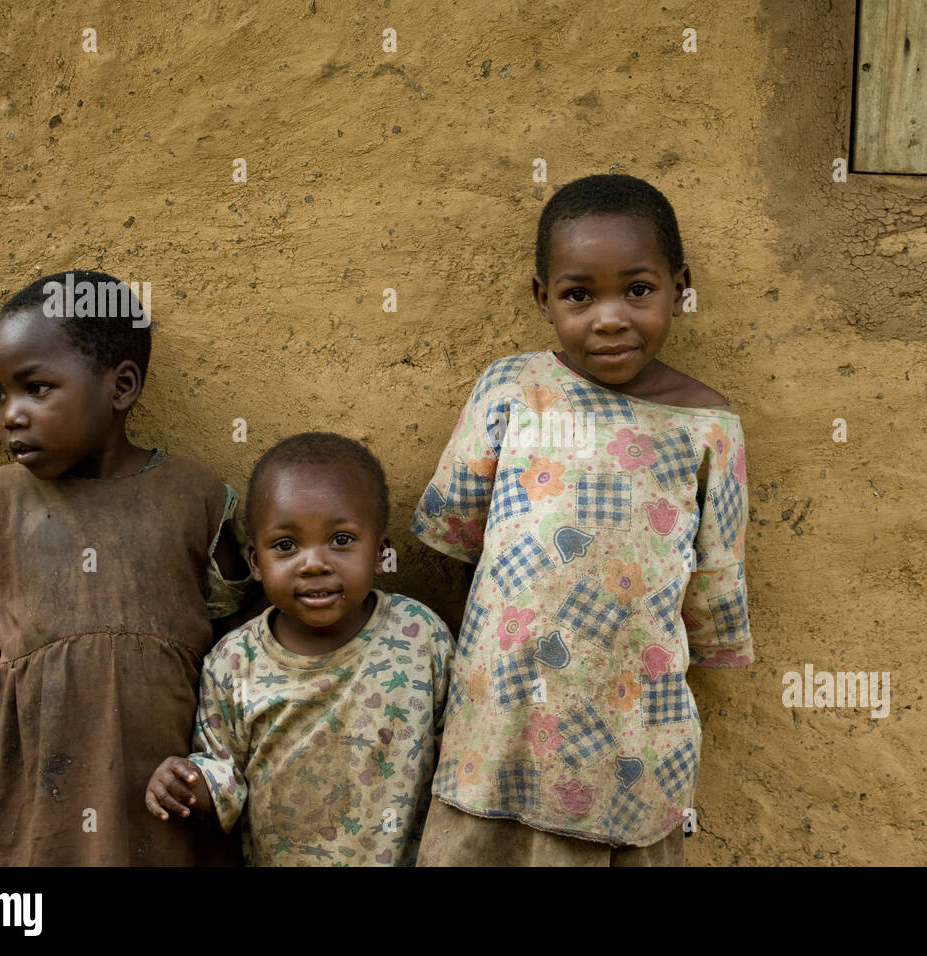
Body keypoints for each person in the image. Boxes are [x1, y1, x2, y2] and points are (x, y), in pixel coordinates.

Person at [410, 174, 753, 865]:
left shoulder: (707, 428)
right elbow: (461, 530)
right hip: (500, 729)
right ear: (543, 298)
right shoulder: (511, 389)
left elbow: (713, 587)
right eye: (578, 294)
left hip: (631, 744)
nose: (609, 317)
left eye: (637, 289)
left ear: (679, 287)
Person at [0, 270, 253, 866]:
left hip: (162, 780)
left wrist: (227, 772)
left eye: (36, 389)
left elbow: (237, 653)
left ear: (121, 386)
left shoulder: (195, 499)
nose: (10, 415)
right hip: (36, 780)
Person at [145, 433, 453, 865]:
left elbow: (458, 764)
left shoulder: (420, 637)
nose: (313, 563)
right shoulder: (235, 663)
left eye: (341, 539)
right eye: (286, 546)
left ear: (382, 553)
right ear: (256, 562)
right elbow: (223, 776)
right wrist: (188, 784)